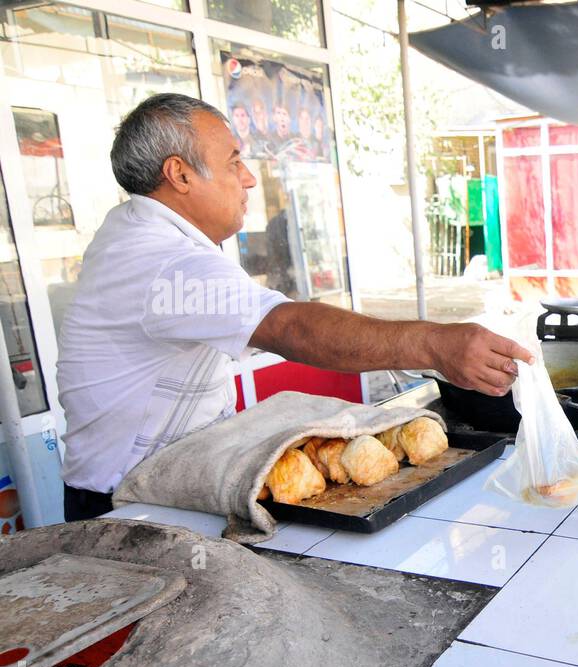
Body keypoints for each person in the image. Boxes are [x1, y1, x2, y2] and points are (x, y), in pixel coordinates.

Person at [56, 93, 531, 521]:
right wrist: (435, 344)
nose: (247, 180)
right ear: (179, 174)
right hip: (126, 509)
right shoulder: (162, 260)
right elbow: (292, 329)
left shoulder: (139, 234)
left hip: (157, 485)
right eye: (233, 162)